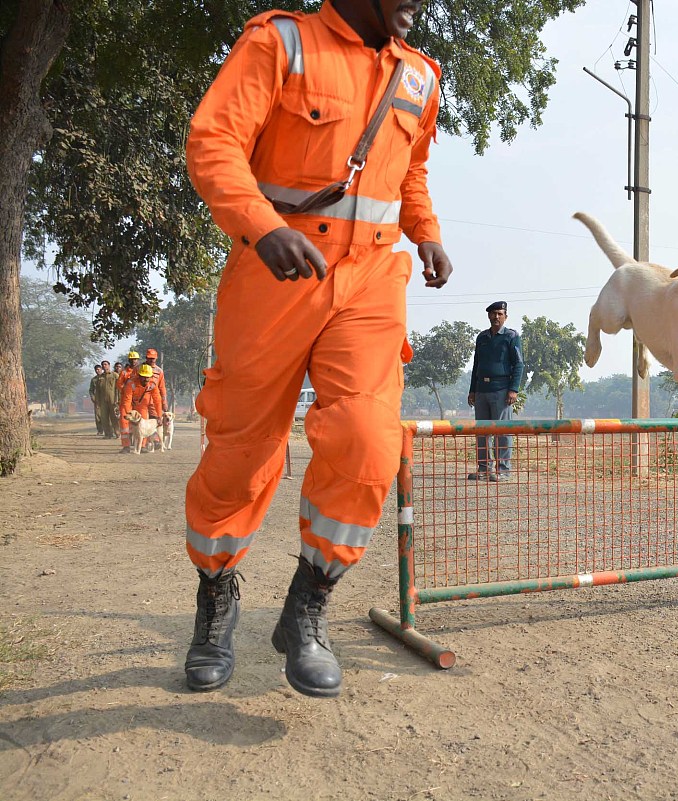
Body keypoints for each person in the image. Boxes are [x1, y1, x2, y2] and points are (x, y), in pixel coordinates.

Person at [182, 0, 452, 698]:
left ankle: (307, 606)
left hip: (369, 282)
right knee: (240, 453)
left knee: (369, 439)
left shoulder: (421, 77)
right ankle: (216, 594)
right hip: (273, 275)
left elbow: (409, 172)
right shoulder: (281, 43)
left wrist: (425, 231)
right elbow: (213, 143)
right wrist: (260, 224)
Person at [467, 301, 524, 481]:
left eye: (500, 313)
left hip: (502, 390)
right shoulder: (482, 338)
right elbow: (476, 365)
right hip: (482, 389)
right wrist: (472, 390)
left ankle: (503, 470)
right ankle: (484, 468)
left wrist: (513, 389)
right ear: (488, 316)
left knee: (502, 431)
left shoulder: (511, 336)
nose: (496, 317)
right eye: (493, 314)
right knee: (482, 432)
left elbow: (519, 364)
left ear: (505, 316)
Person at [120, 363, 164, 452]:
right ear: (139, 375)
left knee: (144, 424)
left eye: (148, 377)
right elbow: (127, 401)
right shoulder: (131, 383)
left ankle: (142, 446)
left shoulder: (152, 384)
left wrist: (159, 416)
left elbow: (157, 400)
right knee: (124, 422)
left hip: (142, 404)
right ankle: (126, 446)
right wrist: (130, 415)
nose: (146, 379)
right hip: (129, 404)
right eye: (143, 377)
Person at [116, 352, 142, 452]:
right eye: (132, 359)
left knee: (139, 422)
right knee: (124, 423)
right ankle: (126, 446)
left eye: (135, 359)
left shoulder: (140, 371)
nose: (133, 361)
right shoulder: (124, 373)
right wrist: (126, 389)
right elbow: (119, 385)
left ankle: (140, 445)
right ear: (129, 360)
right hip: (125, 400)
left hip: (137, 401)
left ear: (138, 360)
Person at [96, 361, 119, 439]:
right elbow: (97, 391)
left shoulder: (115, 375)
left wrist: (118, 400)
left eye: (105, 364)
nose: (104, 366)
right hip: (103, 400)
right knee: (104, 417)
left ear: (109, 365)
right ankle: (108, 434)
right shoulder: (100, 377)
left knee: (114, 417)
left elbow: (118, 389)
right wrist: (97, 401)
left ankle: (117, 433)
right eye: (103, 365)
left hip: (113, 400)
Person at [144, 348, 168, 417]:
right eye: (150, 358)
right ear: (146, 358)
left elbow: (162, 388)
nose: (151, 360)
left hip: (154, 400)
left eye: (153, 358)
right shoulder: (139, 368)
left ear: (156, 358)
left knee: (155, 420)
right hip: (141, 400)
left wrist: (164, 402)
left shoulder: (159, 371)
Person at [89, 365, 104, 435]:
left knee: (107, 415)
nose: (97, 371)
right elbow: (91, 390)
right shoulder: (94, 380)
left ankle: (109, 430)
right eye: (96, 370)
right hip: (97, 400)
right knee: (98, 416)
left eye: (98, 369)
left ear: (101, 369)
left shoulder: (105, 377)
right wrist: (93, 398)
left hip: (106, 399)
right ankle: (100, 430)